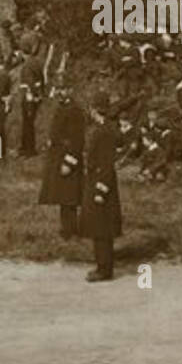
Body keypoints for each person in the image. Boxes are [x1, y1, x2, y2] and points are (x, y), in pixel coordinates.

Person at [80, 91, 122, 282]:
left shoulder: (104, 132)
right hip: (98, 180)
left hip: (100, 182)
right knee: (99, 227)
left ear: (95, 110)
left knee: (101, 228)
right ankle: (102, 265)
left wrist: (100, 190)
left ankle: (104, 269)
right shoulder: (105, 129)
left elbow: (106, 163)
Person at [37, 83, 85, 239]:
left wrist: (70, 161)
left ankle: (71, 230)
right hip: (57, 156)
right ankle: (66, 229)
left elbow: (77, 139)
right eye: (59, 89)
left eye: (64, 89)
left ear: (71, 90)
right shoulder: (61, 107)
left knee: (69, 198)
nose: (61, 92)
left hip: (68, 156)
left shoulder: (75, 111)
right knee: (63, 197)